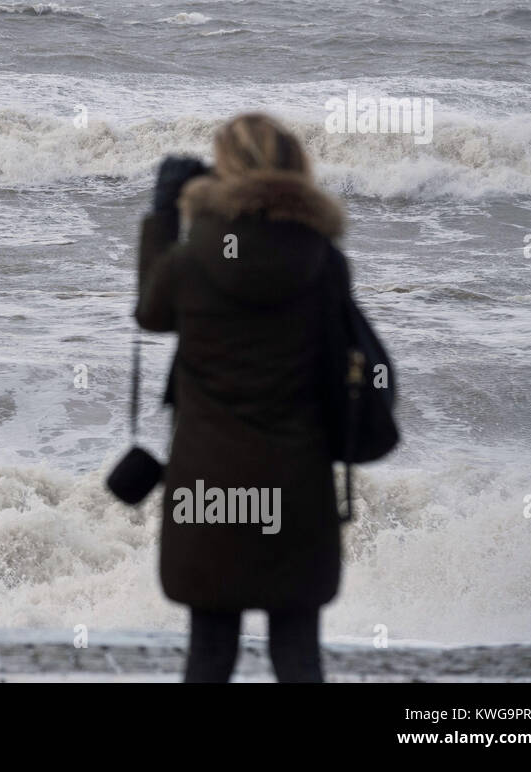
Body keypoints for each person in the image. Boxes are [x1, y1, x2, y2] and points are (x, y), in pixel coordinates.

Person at [135, 113, 347, 683]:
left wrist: (162, 216)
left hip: (209, 485)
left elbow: (151, 315)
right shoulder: (323, 261)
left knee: (209, 652)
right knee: (299, 653)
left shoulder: (191, 259)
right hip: (298, 481)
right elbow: (339, 367)